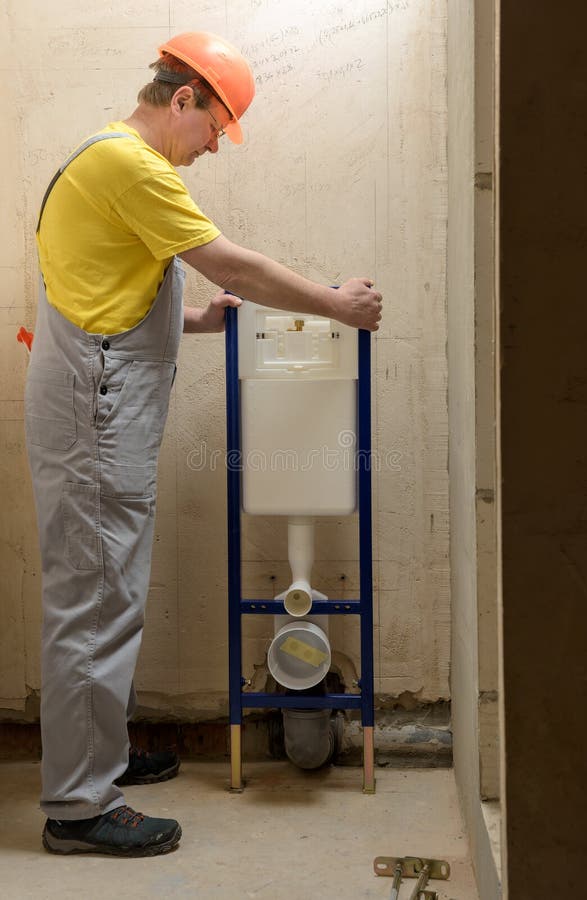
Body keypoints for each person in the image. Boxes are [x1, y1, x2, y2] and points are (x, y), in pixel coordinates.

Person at [25, 30, 382, 858]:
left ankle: (95, 761)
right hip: (96, 409)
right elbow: (230, 262)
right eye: (215, 126)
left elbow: (100, 284)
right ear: (181, 99)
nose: (215, 146)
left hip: (96, 397)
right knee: (93, 598)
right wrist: (336, 304)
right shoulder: (133, 166)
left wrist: (195, 318)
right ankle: (77, 805)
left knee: (107, 589)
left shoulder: (102, 161)